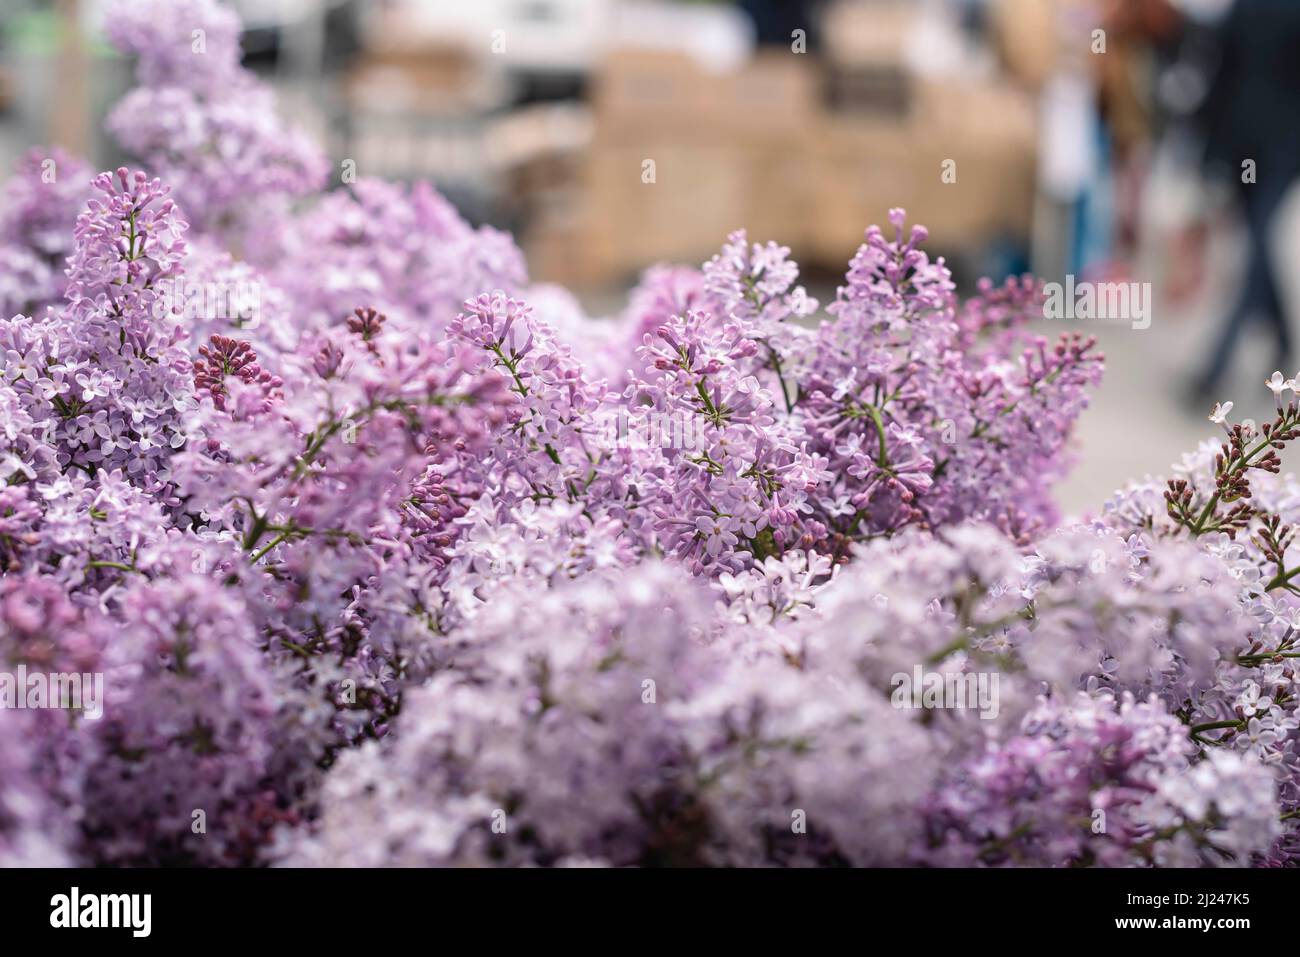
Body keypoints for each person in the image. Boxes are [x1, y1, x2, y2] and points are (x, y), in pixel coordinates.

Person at [1190, 0, 1300, 397]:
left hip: (1247, 147)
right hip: (1273, 149)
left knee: (1256, 247)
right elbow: (1222, 73)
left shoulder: (1243, 8)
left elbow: (1218, 76)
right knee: (1259, 246)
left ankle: (1214, 367)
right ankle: (1284, 344)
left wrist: (1209, 152)